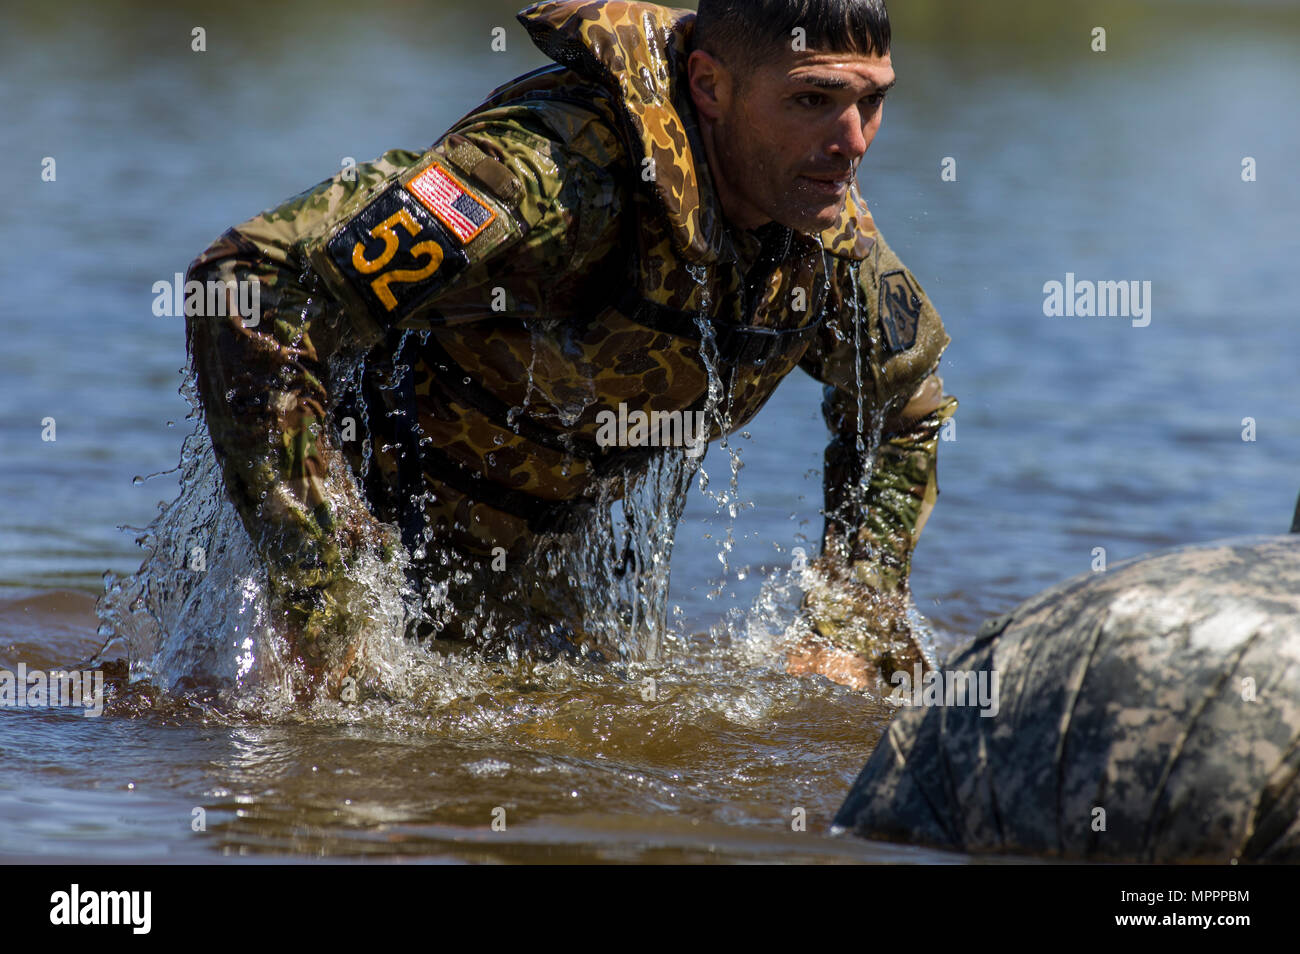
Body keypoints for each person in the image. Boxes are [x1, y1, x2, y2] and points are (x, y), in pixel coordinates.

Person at [183, 0, 957, 698]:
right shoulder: (549, 176)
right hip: (370, 542)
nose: (852, 143)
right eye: (813, 100)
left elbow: (905, 403)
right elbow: (248, 282)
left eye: (873, 101)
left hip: (533, 596)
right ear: (710, 87)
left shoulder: (829, 253)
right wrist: (321, 594)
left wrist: (849, 628)